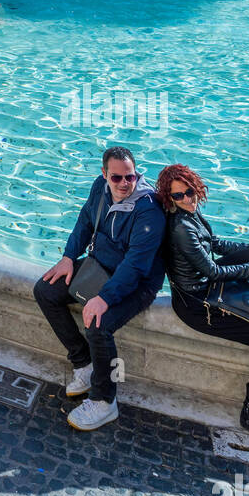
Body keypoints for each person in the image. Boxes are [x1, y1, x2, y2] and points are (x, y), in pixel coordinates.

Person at [33, 145, 165, 431]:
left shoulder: (149, 211)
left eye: (130, 177)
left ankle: (105, 401)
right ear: (104, 174)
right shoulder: (99, 188)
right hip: (100, 266)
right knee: (45, 290)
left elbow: (135, 267)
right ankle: (84, 364)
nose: (124, 184)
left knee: (98, 322)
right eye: (116, 178)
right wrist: (69, 257)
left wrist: (104, 298)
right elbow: (84, 221)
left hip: (136, 281)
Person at [156, 164, 249, 433]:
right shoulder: (181, 228)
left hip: (208, 286)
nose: (187, 198)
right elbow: (212, 271)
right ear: (169, 198)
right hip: (198, 304)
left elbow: (217, 243)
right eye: (178, 196)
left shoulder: (191, 212)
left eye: (189, 191)